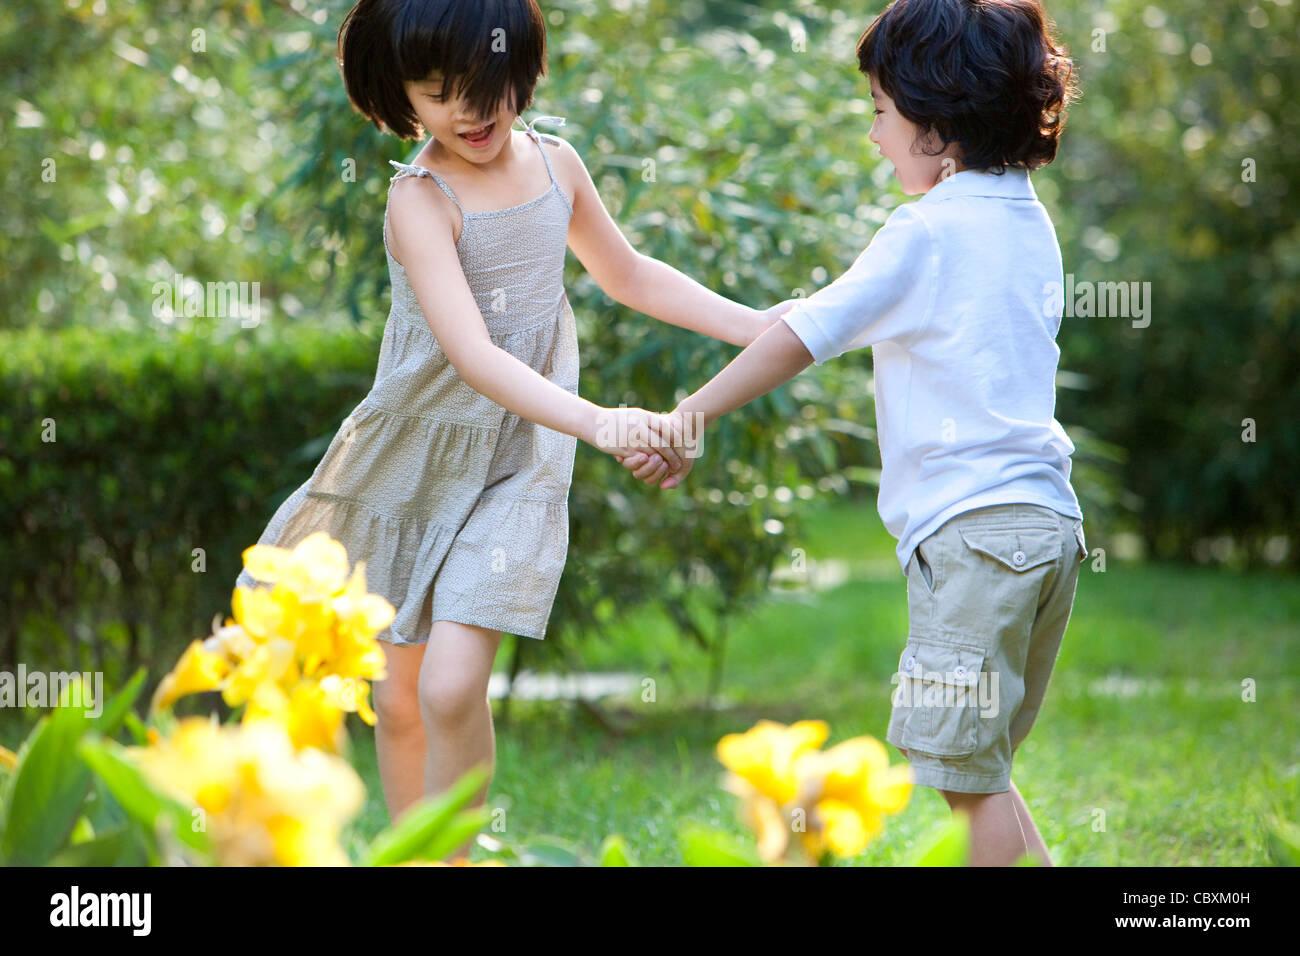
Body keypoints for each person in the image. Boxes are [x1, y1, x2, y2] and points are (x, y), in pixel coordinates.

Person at [234, 0, 792, 837]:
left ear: (518, 64)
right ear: (400, 96)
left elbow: (630, 275)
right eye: (436, 91)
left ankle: (464, 854)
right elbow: (475, 357)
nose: (469, 109)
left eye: (483, 80)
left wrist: (771, 327)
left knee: (450, 686)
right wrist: (602, 422)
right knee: (398, 699)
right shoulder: (419, 200)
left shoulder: (557, 165)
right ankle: (425, 859)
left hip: (519, 456)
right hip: (413, 457)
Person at [625, 0, 1087, 866]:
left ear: (938, 120)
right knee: (975, 768)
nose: (873, 135)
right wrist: (764, 325)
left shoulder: (925, 232)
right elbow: (820, 317)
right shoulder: (1024, 220)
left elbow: (806, 338)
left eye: (880, 110)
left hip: (975, 541)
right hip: (1045, 529)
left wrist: (689, 414)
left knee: (959, 771)